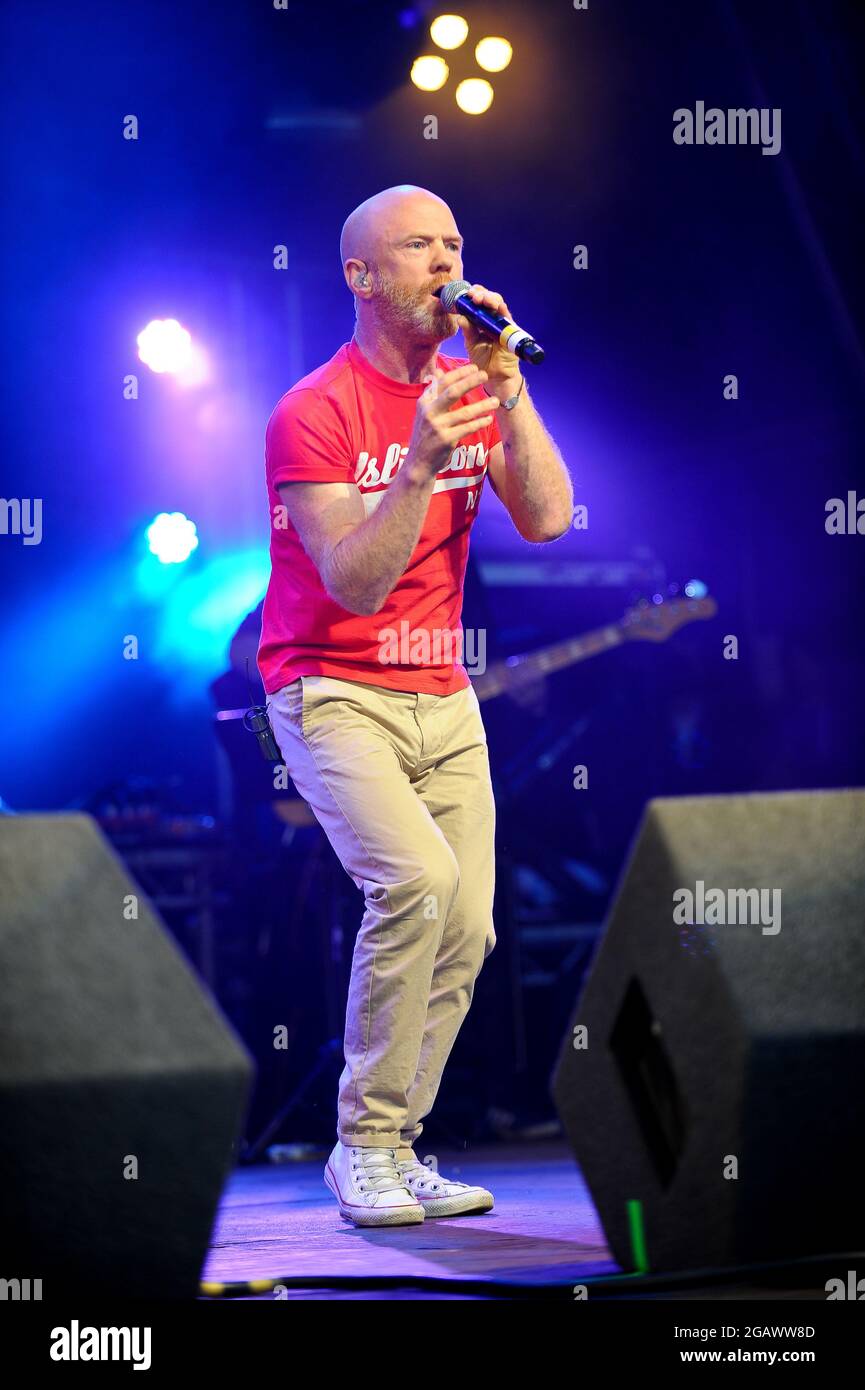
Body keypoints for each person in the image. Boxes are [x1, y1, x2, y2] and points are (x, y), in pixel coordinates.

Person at [259, 184, 573, 1226]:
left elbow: (549, 516)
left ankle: (395, 1142)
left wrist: (507, 389)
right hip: (330, 685)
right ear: (361, 274)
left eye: (454, 242)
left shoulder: (474, 384)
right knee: (416, 885)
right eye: (416, 246)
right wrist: (425, 462)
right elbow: (353, 580)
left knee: (472, 924)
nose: (445, 262)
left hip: (443, 690)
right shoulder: (312, 411)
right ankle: (361, 1147)